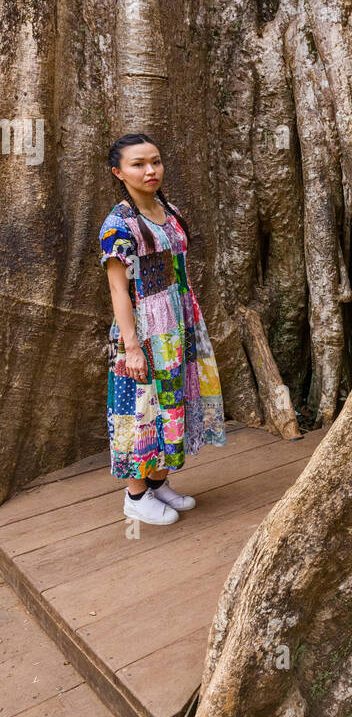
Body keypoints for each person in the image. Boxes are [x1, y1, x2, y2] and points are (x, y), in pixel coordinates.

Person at [99, 133, 226, 525]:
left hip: (179, 322)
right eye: (138, 164)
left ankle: (158, 483)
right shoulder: (118, 224)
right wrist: (133, 348)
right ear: (118, 172)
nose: (150, 170)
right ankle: (135, 496)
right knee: (142, 410)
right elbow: (119, 289)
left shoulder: (166, 209)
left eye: (155, 161)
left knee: (172, 403)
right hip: (145, 330)